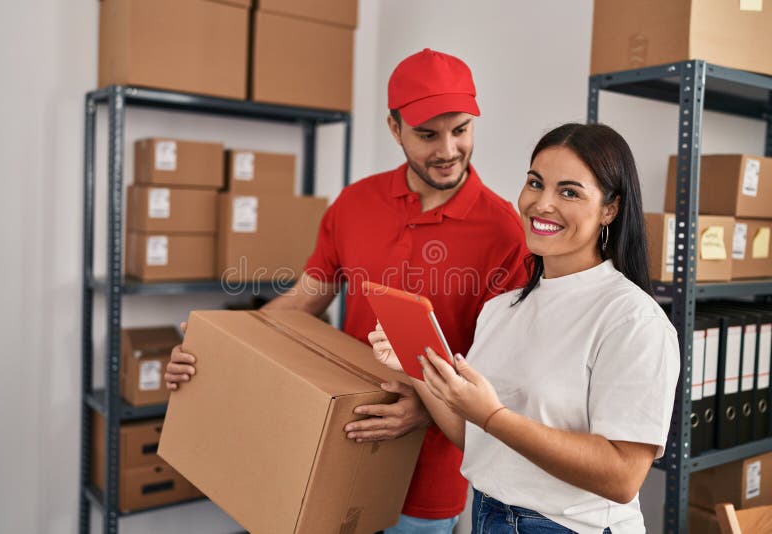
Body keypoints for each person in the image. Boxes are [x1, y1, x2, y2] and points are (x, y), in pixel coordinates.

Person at [164, 48, 530, 533]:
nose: (447, 150)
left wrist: (427, 408)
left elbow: (504, 370)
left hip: (429, 477)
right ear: (394, 128)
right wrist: (217, 346)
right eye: (427, 134)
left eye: (460, 129)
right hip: (337, 443)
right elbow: (304, 301)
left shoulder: (504, 230)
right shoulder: (356, 204)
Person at [369, 123, 680, 534]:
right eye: (535, 183)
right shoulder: (502, 309)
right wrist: (417, 365)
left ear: (610, 208)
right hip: (487, 515)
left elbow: (622, 476)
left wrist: (495, 416)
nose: (542, 204)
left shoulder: (632, 319)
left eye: (569, 192)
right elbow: (478, 439)